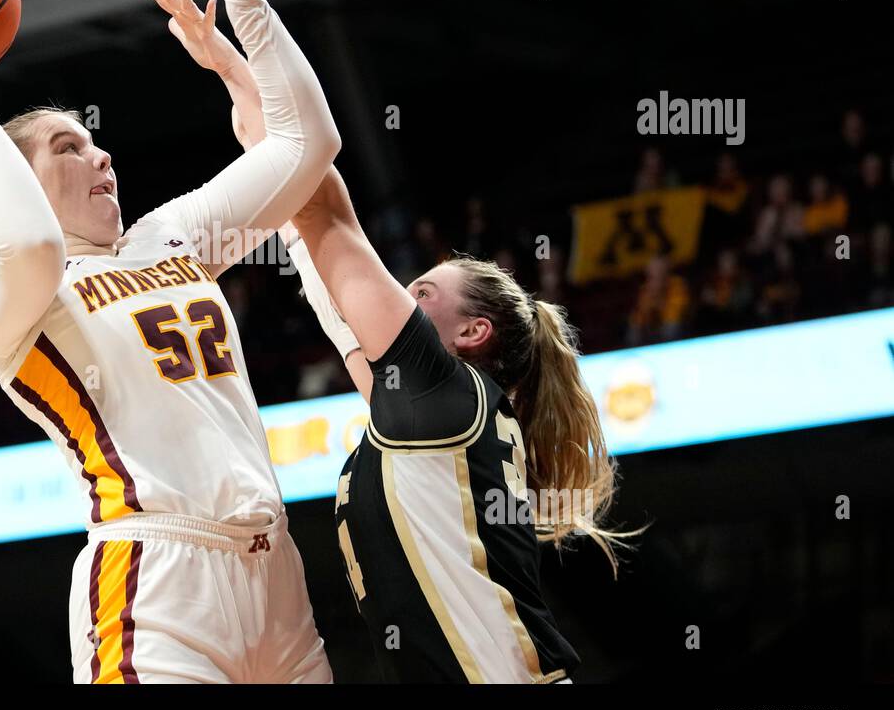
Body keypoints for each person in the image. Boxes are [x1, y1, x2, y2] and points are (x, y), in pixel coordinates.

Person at [0, 0, 341, 683]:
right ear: (6, 183)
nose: (100, 155)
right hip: (156, 581)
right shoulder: (9, 299)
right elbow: (27, 246)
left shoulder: (166, 239)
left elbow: (308, 146)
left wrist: (252, 15)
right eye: (66, 149)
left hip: (277, 576)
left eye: (93, 142)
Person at [213, 131, 639, 680]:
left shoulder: (445, 392)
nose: (401, 301)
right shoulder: (426, 413)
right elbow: (331, 294)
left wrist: (253, 64)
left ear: (472, 331)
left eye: (422, 295)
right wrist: (266, 132)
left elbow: (327, 216)